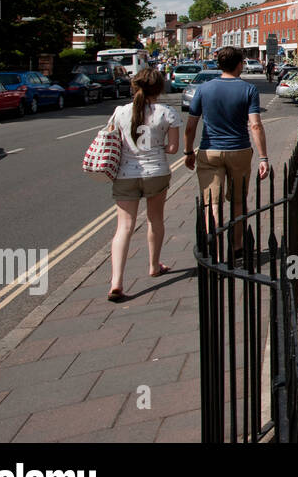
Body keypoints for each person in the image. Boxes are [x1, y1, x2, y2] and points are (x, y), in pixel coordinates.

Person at [184, 46, 268, 255]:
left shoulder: (203, 89)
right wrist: (263, 157)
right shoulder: (249, 90)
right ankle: (237, 245)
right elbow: (255, 125)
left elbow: (191, 126)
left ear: (219, 65)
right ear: (240, 64)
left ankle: (215, 248)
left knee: (212, 203)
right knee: (238, 200)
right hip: (239, 150)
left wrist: (188, 152)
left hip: (210, 150)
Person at [106, 68, 180, 301]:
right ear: (159, 89)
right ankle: (153, 265)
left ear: (134, 87)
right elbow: (173, 148)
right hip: (156, 172)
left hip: (125, 174)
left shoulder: (120, 112)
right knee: (155, 219)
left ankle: (116, 282)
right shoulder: (167, 113)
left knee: (124, 227)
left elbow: (111, 140)